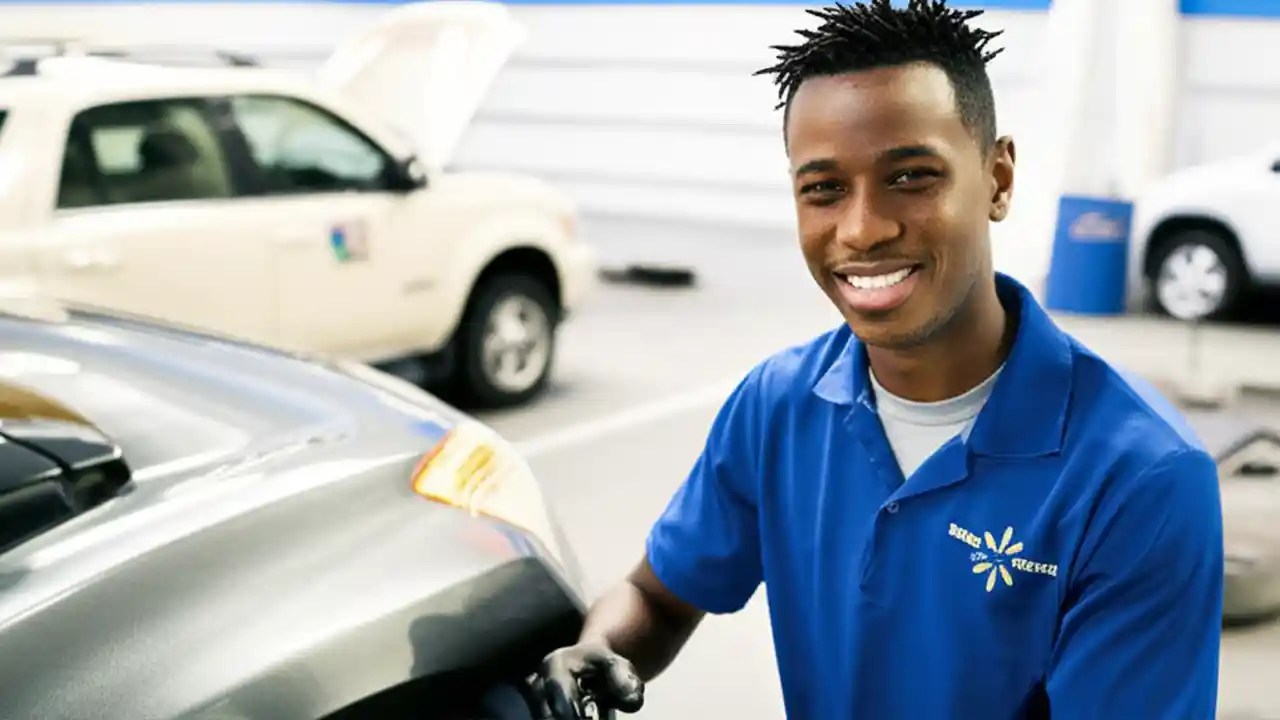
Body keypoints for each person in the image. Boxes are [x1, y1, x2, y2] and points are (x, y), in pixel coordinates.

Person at [535, 1, 1224, 717]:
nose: (862, 229)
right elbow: (657, 595)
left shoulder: (1139, 477)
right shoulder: (778, 407)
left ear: (999, 178)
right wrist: (604, 646)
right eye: (824, 189)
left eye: (910, 177)